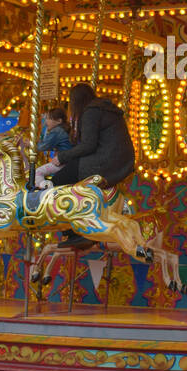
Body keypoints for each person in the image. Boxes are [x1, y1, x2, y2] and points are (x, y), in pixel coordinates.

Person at [49, 83, 135, 248]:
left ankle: (75, 232)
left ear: (76, 101)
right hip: (118, 159)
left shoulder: (91, 112)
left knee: (58, 181)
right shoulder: (103, 109)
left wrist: (62, 157)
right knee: (71, 175)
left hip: (105, 161)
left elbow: (89, 145)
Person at [33, 107, 73, 189]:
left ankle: (45, 189)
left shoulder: (57, 131)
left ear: (59, 121)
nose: (46, 121)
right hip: (68, 161)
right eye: (46, 118)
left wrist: (32, 144)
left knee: (37, 172)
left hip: (62, 162)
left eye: (49, 119)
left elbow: (43, 147)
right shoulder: (63, 130)